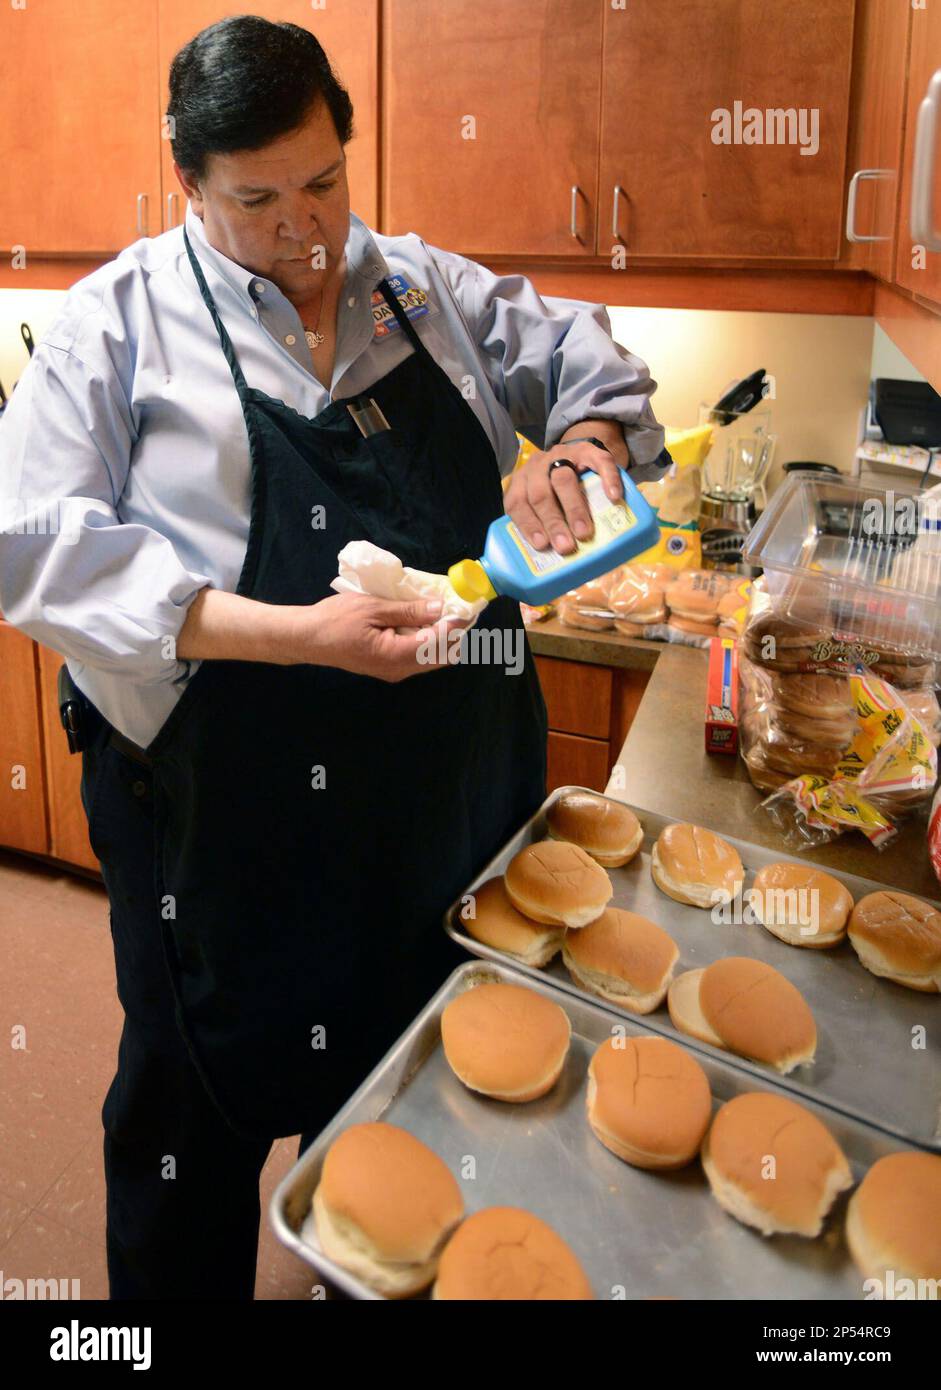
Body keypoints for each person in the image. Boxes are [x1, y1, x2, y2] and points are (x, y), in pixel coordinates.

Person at [0, 16, 667, 1299]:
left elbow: (588, 354)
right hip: (221, 841)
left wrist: (582, 445)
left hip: (440, 827)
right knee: (188, 1145)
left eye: (324, 183)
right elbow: (38, 550)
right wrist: (296, 637)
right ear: (185, 177)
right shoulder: (113, 328)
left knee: (408, 1135)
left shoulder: (418, 287)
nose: (302, 231)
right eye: (255, 199)